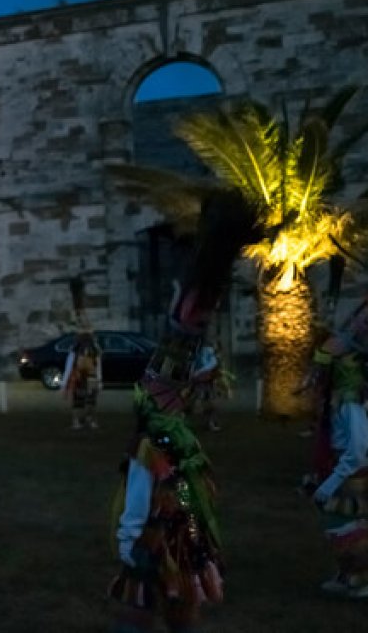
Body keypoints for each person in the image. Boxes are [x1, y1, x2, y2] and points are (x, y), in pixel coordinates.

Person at [109, 190, 260, 633]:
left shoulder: (154, 443)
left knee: (143, 606)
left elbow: (140, 498)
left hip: (159, 537)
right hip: (188, 536)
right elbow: (195, 494)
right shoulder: (182, 440)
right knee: (182, 606)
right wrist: (197, 534)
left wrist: (127, 539)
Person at [300, 302, 368, 599]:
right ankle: (348, 574)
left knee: (346, 526)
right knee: (337, 525)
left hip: (350, 473)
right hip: (342, 469)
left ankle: (359, 579)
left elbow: (357, 451)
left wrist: (330, 483)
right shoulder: (341, 400)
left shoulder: (350, 402)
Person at [61, 330, 102, 430]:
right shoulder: (91, 349)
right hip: (83, 377)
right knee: (85, 401)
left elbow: (69, 367)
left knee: (85, 401)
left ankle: (82, 420)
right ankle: (86, 420)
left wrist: (64, 383)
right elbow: (98, 366)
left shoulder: (92, 350)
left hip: (85, 377)